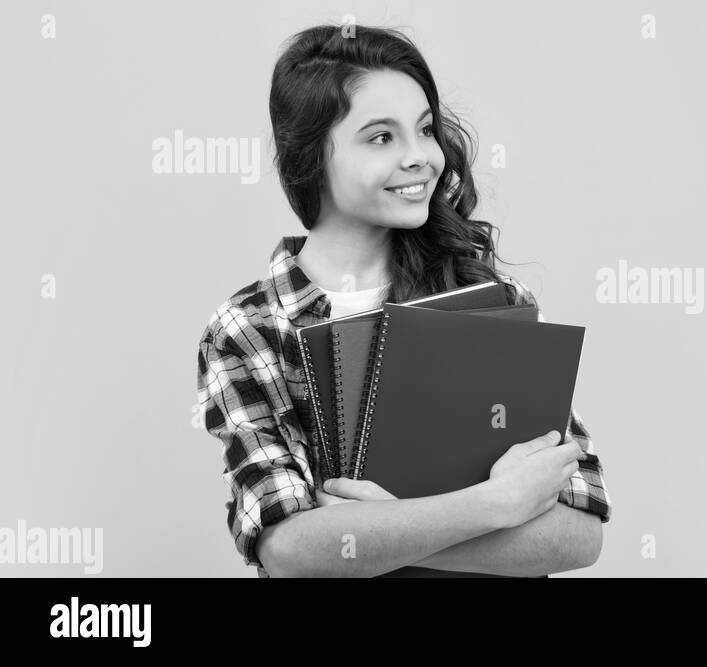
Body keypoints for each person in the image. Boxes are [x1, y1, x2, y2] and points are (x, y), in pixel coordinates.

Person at [195, 24, 610, 578]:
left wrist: (380, 532)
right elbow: (289, 548)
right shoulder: (249, 329)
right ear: (309, 158)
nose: (421, 157)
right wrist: (495, 505)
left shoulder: (494, 300)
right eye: (381, 137)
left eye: (424, 129)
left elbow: (579, 533)